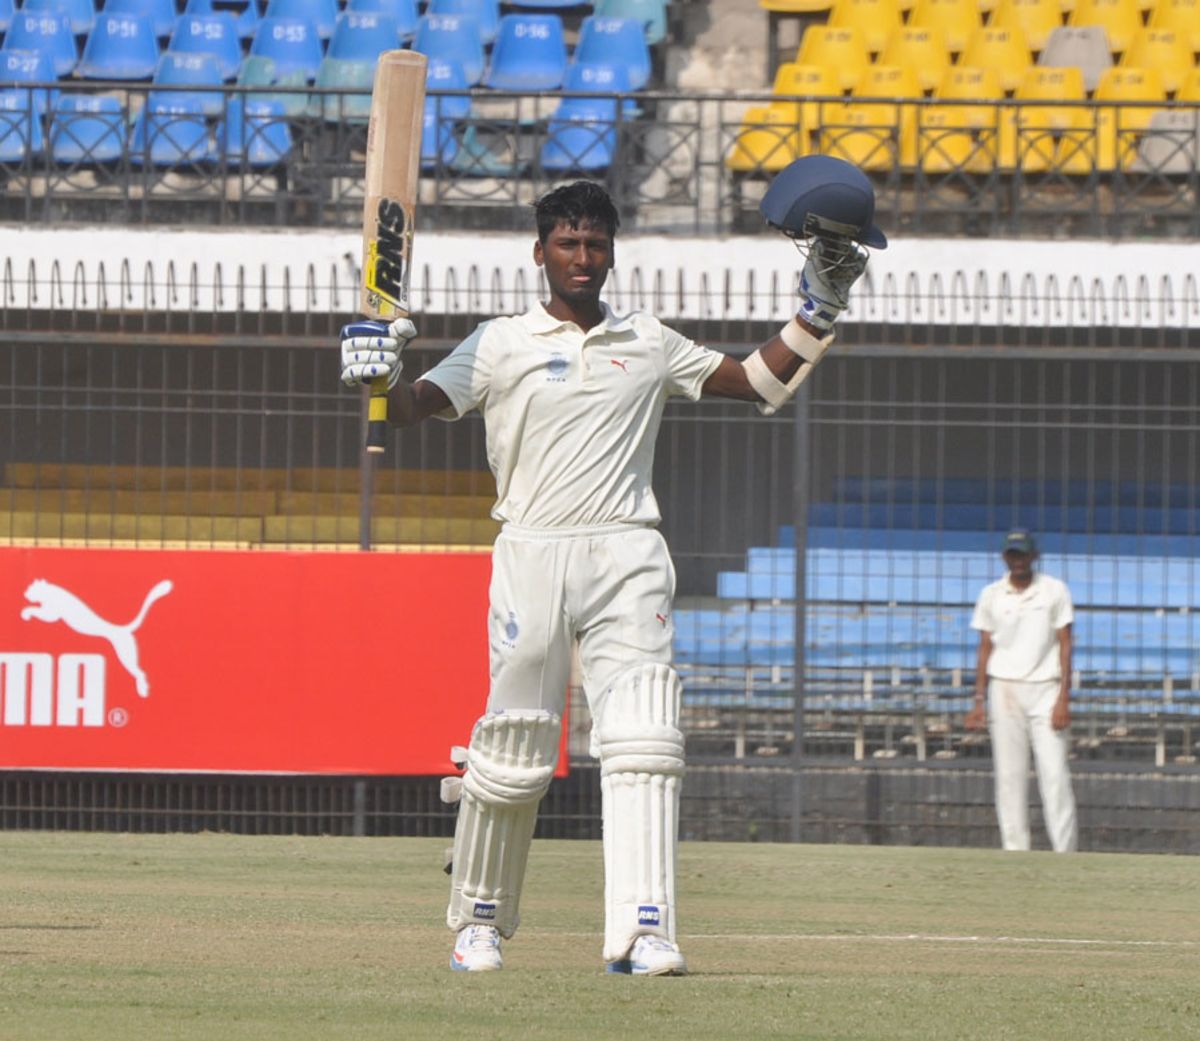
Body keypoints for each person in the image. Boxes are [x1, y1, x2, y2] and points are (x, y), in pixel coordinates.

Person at [339, 175, 879, 975]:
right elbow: (412, 406)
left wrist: (817, 313)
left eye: (595, 244)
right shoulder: (498, 342)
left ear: (612, 253)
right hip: (532, 548)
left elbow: (759, 383)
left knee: (645, 741)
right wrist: (378, 372)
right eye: (568, 243)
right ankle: (480, 919)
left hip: (627, 550)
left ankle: (644, 928)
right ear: (540, 252)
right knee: (516, 743)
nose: (582, 257)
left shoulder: (647, 339)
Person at [965, 528, 1078, 853]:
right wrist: (978, 701)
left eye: (1023, 554)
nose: (1018, 561)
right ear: (1005, 557)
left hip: (1046, 687)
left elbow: (1066, 644)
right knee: (1010, 776)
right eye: (1012, 555)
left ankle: (1065, 853)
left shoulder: (1054, 590)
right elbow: (985, 647)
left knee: (1055, 775)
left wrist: (1063, 699)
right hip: (1005, 689)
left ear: (1034, 556)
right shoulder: (992, 594)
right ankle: (1015, 853)